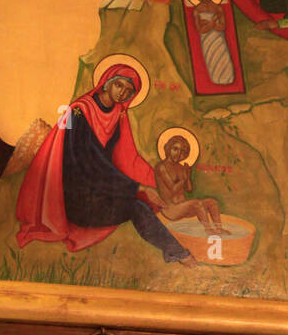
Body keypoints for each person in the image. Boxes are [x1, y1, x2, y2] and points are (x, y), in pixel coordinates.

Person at [17, 63, 196, 266]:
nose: (122, 93)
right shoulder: (78, 112)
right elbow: (88, 163)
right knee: (136, 207)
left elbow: (123, 156)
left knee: (145, 203)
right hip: (77, 196)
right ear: (106, 82)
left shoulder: (118, 114)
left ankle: (175, 251)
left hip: (100, 186)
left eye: (129, 91)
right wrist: (136, 187)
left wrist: (144, 184)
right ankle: (178, 253)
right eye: (119, 85)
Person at [154, 134, 226, 234]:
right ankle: (209, 230)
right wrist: (184, 178)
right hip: (171, 210)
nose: (178, 154)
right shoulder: (161, 167)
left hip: (184, 209)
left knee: (212, 202)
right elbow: (173, 190)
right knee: (197, 203)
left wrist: (188, 176)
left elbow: (189, 189)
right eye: (175, 149)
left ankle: (219, 229)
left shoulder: (181, 167)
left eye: (182, 151)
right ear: (168, 148)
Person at [190, 0, 235, 85]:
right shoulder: (197, 10)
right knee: (212, 58)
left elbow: (223, 27)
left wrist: (210, 24)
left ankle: (227, 78)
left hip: (219, 39)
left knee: (222, 57)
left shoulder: (218, 8)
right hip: (207, 41)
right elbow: (201, 29)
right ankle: (216, 79)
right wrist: (213, 22)